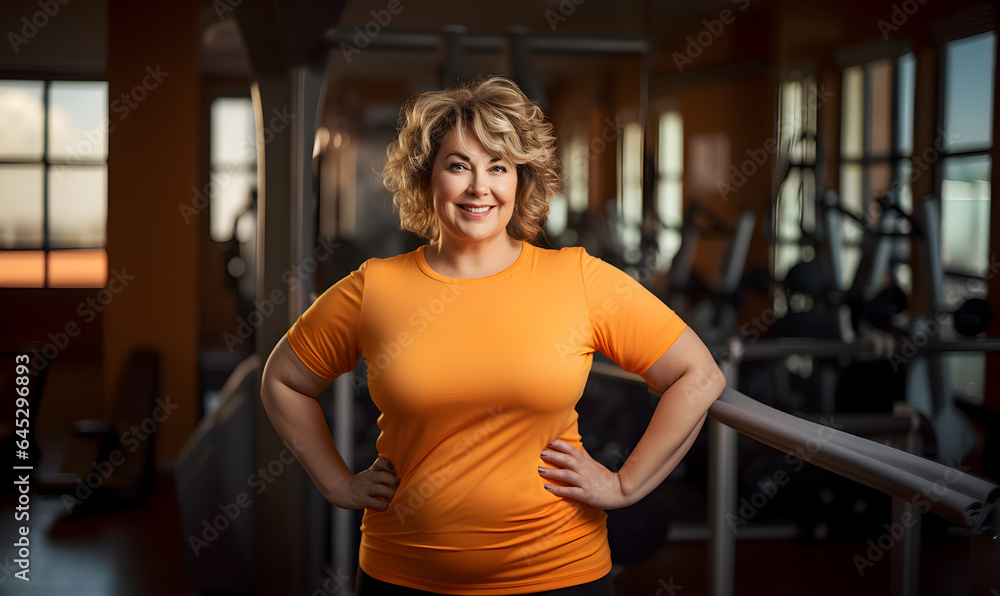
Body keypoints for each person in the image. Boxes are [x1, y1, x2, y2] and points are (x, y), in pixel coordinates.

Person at [260, 76, 726, 596]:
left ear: (520, 181)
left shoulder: (577, 277)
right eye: (459, 165)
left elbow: (698, 373)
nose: (480, 187)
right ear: (427, 177)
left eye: (498, 167)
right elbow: (283, 380)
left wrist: (625, 484)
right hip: (403, 575)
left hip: (560, 576)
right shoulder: (375, 287)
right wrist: (337, 483)